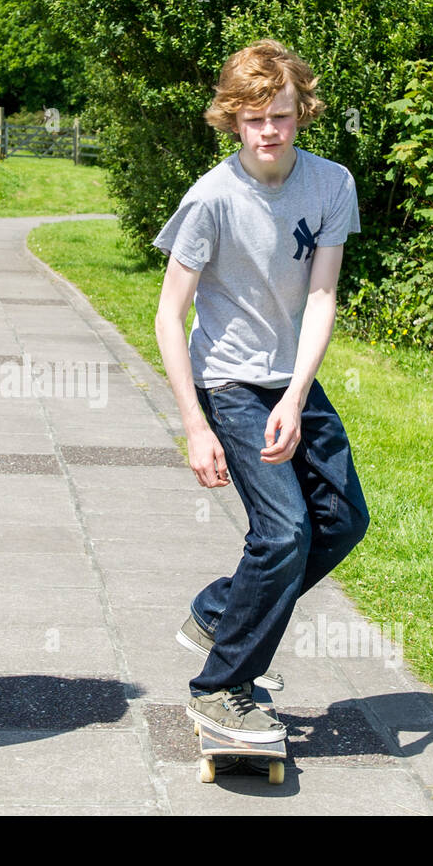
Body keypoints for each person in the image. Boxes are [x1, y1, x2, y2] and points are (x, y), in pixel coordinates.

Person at [153, 40, 370, 743]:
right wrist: (196, 425)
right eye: (252, 118)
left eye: (279, 115)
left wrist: (297, 394)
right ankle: (220, 688)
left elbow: (324, 293)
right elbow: (167, 315)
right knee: (284, 533)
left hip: (290, 380)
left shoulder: (332, 183)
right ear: (231, 120)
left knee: (342, 520)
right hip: (229, 380)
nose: (268, 131)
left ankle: (222, 611)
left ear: (301, 112)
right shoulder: (211, 199)